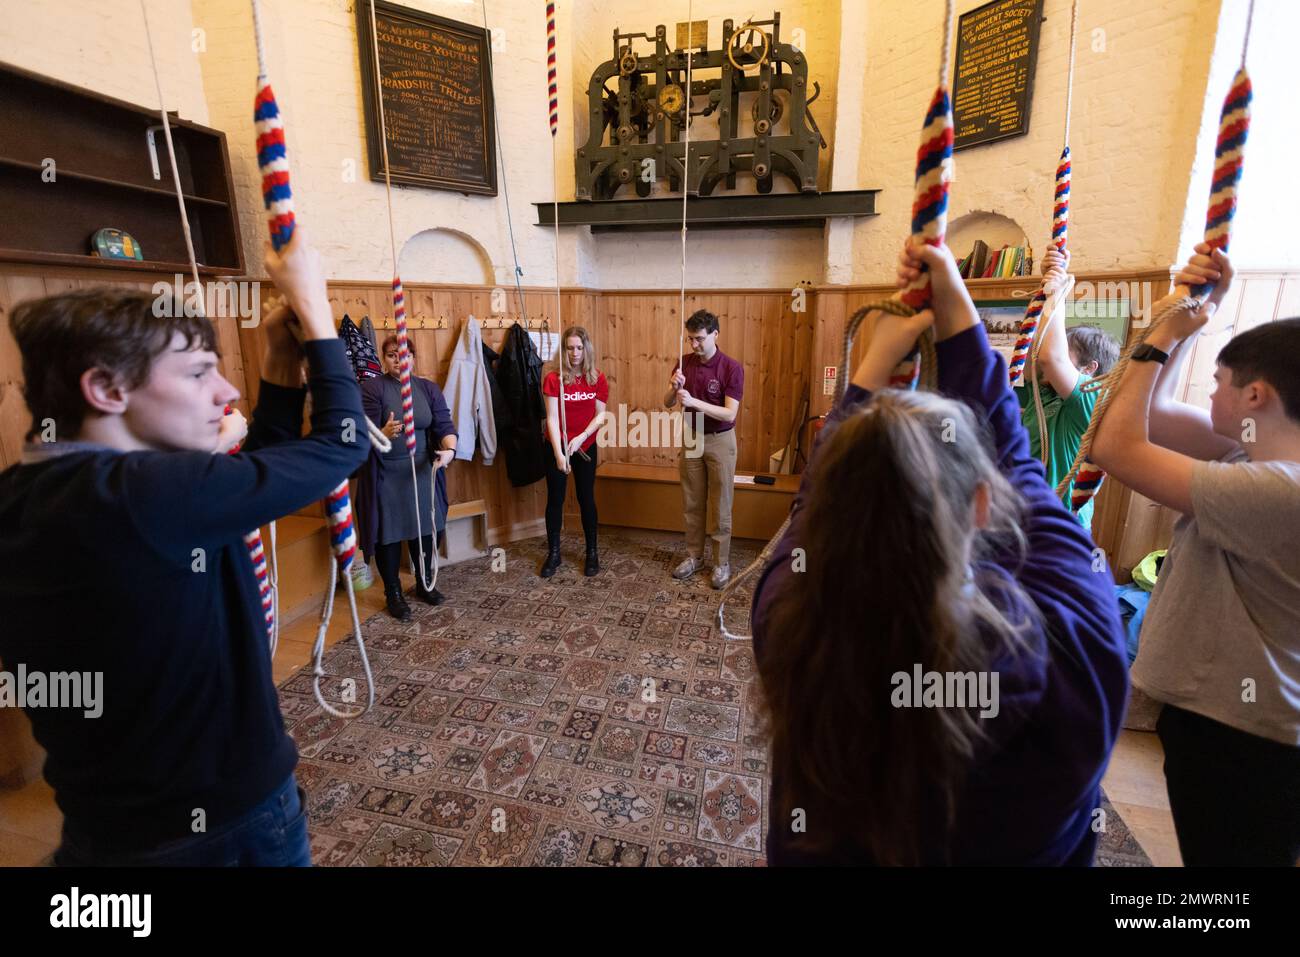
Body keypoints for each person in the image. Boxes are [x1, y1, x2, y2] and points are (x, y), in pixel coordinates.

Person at [750, 240, 1128, 865]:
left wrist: (871, 368)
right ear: (983, 505)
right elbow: (1026, 476)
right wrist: (956, 309)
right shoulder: (1079, 645)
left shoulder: (789, 622)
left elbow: (809, 507)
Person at [0, 230, 368, 865]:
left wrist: (281, 374)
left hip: (108, 828)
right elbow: (343, 444)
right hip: (220, 831)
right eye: (199, 373)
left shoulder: (34, 495)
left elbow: (234, 495)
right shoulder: (141, 496)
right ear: (107, 390)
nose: (226, 394)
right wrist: (313, 309)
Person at [1089, 244, 1300, 866]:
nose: (1210, 396)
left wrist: (1161, 334)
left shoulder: (1276, 491)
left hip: (1245, 737)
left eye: (1218, 383)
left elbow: (1115, 445)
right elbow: (1146, 418)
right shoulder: (1249, 459)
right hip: (1227, 722)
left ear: (1255, 396)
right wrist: (1190, 313)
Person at [1014, 248, 1120, 529]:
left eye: (1067, 353)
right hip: (1025, 516)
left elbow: (1051, 357)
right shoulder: (1044, 392)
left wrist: (1058, 292)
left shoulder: (1092, 396)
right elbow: (1035, 354)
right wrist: (1047, 283)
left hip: (1060, 522)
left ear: (1089, 369)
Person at [358, 336, 456, 621]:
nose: (399, 360)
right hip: (387, 472)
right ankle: (394, 593)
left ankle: (425, 583)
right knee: (388, 535)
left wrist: (449, 450)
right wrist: (383, 434)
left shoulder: (427, 389)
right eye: (391, 355)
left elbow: (445, 424)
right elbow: (359, 434)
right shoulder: (372, 389)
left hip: (423, 470)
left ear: (413, 357)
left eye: (405, 355)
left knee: (430, 529)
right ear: (384, 359)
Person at [664, 309, 744, 589]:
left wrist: (694, 402)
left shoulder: (731, 368)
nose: (694, 345)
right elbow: (666, 402)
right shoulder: (684, 363)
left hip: (721, 439)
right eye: (690, 339)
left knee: (721, 505)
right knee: (693, 502)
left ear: (715, 335)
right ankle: (694, 556)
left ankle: (721, 563)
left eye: (699, 339)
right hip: (691, 437)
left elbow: (729, 414)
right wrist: (674, 389)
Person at [539, 326, 608, 578]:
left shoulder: (597, 379)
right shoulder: (553, 379)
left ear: (586, 349)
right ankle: (554, 553)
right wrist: (559, 453)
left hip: (585, 446)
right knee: (555, 499)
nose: (575, 353)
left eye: (579, 347)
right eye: (570, 347)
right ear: (564, 349)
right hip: (557, 445)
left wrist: (580, 438)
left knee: (586, 498)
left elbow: (600, 416)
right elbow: (552, 419)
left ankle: (592, 553)